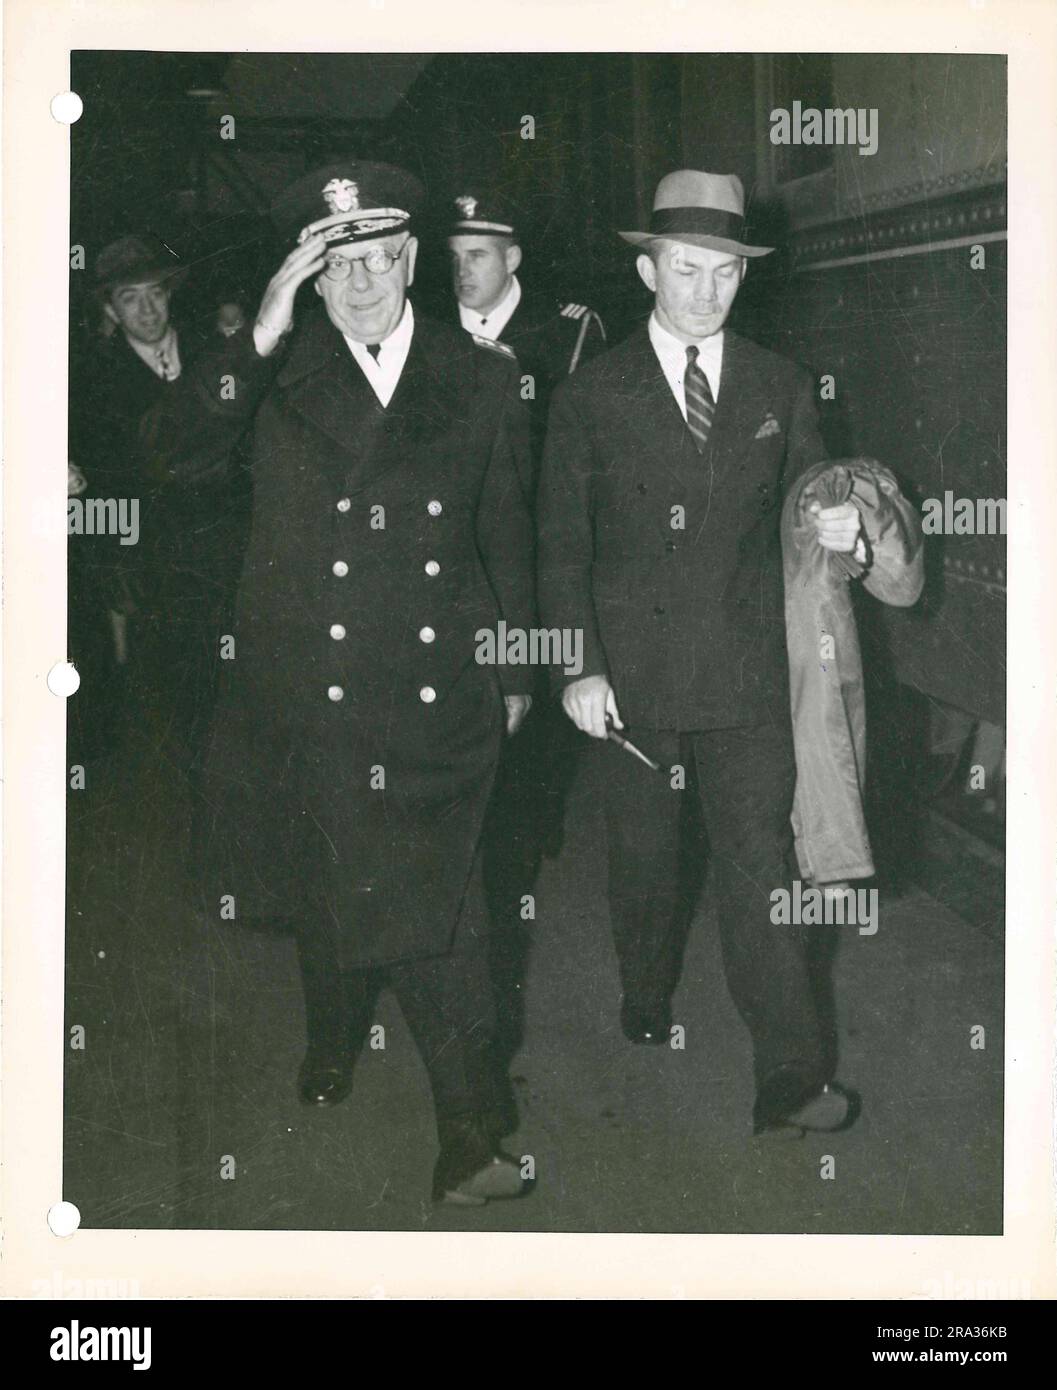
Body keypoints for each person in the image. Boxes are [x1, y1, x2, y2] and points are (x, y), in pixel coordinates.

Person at [151, 162, 538, 1205]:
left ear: (410, 260)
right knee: (335, 883)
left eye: (377, 258)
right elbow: (174, 455)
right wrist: (260, 332)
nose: (361, 281)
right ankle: (332, 1032)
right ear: (309, 280)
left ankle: (467, 1129)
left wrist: (515, 669)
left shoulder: (484, 377)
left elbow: (506, 529)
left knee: (447, 911)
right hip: (305, 689)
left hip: (436, 688)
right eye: (336, 265)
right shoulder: (272, 372)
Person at [536, 169, 863, 1137]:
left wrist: (840, 519)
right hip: (630, 684)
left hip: (748, 678)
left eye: (725, 271)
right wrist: (575, 667)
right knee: (644, 863)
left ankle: (791, 1077)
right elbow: (562, 541)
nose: (706, 290)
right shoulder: (591, 395)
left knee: (764, 869)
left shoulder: (778, 383)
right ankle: (645, 988)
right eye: (687, 269)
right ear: (647, 270)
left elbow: (811, 499)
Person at [446, 190, 606, 1081]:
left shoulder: (569, 332)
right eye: (454, 251)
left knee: (535, 704)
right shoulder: (425, 332)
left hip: (543, 549)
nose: (463, 265)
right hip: (461, 552)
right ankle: (493, 840)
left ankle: (524, 825)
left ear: (514, 259)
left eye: (480, 250)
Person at [70, 235, 250, 754]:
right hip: (154, 572)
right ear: (110, 307)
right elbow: (99, 487)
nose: (147, 309)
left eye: (155, 293)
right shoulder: (91, 381)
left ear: (171, 295)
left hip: (226, 554)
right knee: (175, 714)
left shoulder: (215, 353)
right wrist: (115, 570)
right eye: (130, 298)